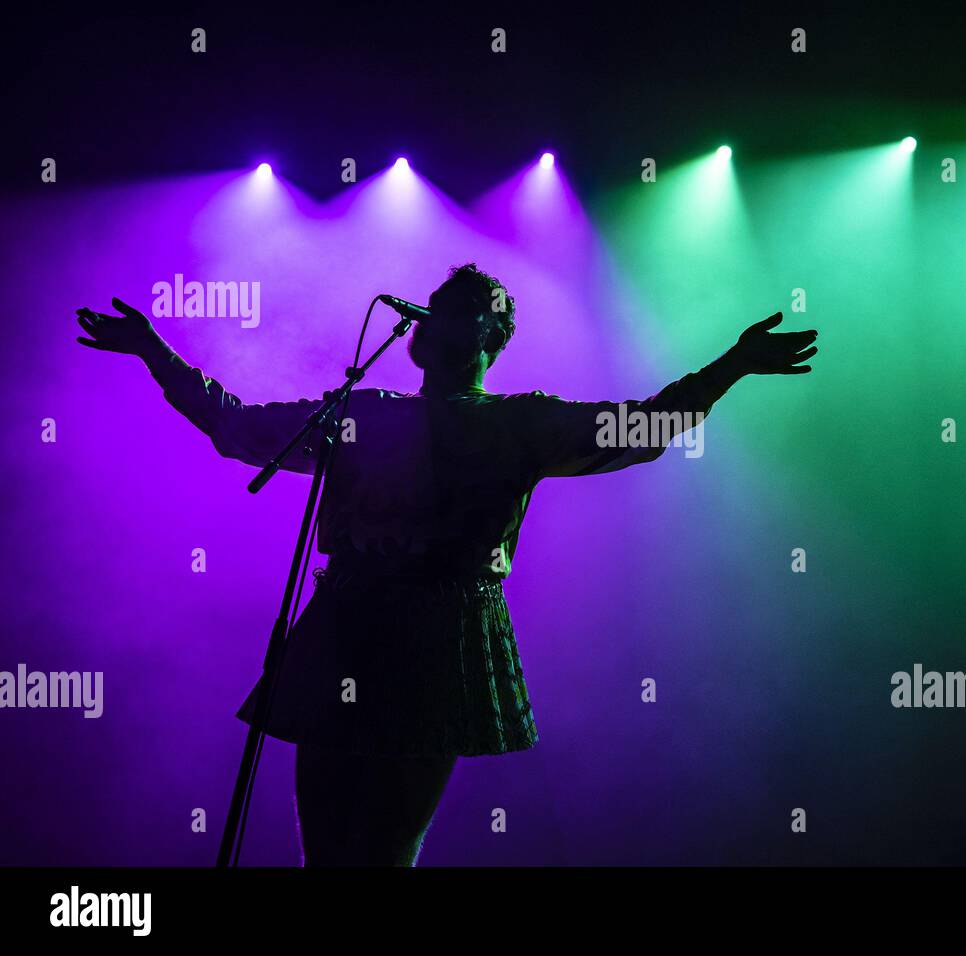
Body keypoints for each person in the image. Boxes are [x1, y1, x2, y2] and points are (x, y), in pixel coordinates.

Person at [74, 263, 819, 865]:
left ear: (494, 332)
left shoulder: (522, 419)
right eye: (433, 303)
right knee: (327, 854)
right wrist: (155, 352)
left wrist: (733, 366)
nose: (432, 315)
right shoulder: (364, 411)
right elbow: (239, 428)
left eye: (458, 306)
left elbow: (642, 428)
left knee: (387, 850)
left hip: (445, 632)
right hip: (349, 622)